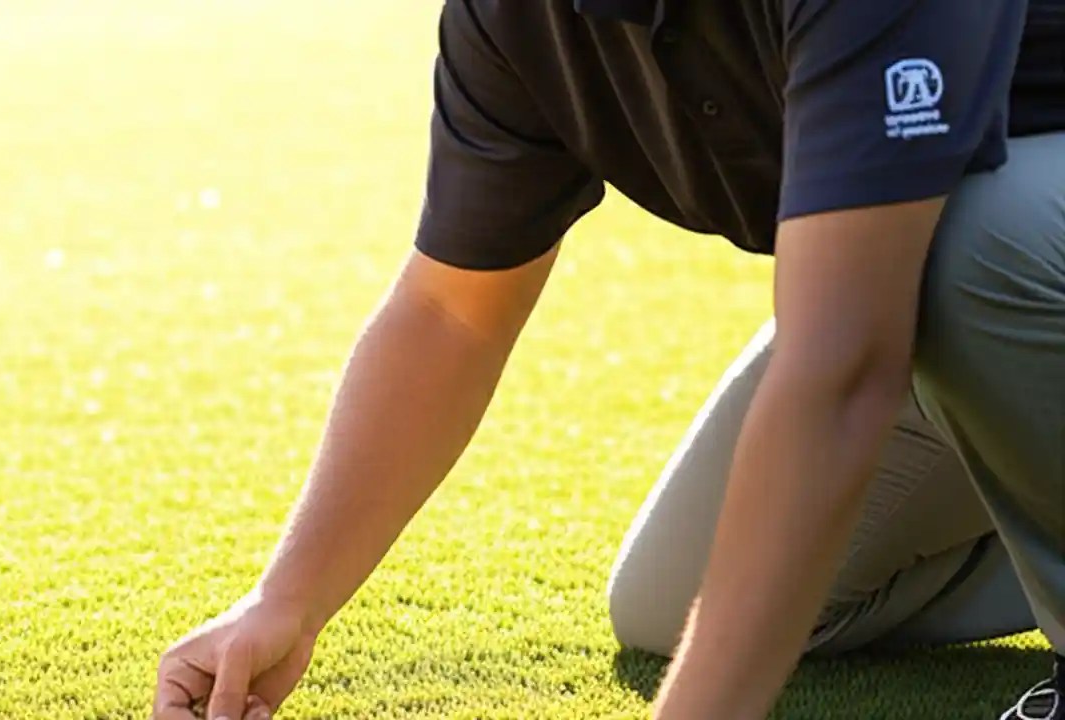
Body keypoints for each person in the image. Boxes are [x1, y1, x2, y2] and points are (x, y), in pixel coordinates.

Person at [152, 0, 1065, 717]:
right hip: (958, 304)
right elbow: (452, 312)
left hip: (1000, 250)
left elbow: (846, 367)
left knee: (967, 243)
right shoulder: (514, 19)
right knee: (674, 605)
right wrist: (287, 601)